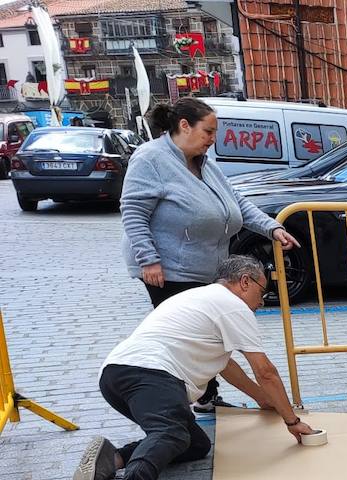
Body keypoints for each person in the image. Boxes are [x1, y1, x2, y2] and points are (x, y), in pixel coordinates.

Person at [71, 256, 314, 480]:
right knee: (171, 432)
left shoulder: (203, 298)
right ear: (245, 281)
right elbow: (265, 370)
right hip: (150, 372)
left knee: (195, 444)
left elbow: (227, 366)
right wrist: (291, 421)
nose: (261, 302)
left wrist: (262, 400)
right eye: (262, 291)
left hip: (117, 376)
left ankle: (113, 459)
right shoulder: (233, 306)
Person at [120, 98, 300, 414]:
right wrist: (148, 258)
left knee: (209, 336)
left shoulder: (205, 162)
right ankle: (186, 398)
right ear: (184, 126)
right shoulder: (150, 158)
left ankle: (205, 395)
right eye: (208, 131)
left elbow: (238, 203)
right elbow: (133, 211)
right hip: (169, 267)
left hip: (207, 265)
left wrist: (272, 228)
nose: (212, 139)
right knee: (197, 337)